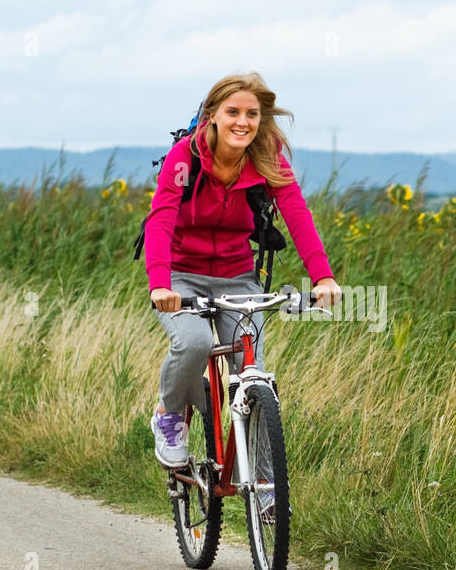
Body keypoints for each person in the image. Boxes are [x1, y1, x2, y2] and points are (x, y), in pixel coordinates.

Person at [144, 72, 342, 467]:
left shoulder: (266, 156)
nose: (242, 121)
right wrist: (160, 285)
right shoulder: (187, 156)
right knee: (195, 343)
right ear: (213, 115)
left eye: (251, 114)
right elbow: (162, 217)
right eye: (232, 111)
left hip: (238, 277)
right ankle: (169, 416)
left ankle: (266, 487)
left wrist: (323, 276)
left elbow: (297, 213)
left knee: (250, 372)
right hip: (182, 277)